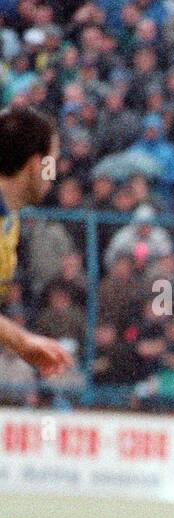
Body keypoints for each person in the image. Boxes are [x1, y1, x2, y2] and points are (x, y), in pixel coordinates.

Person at [0, 107, 73, 379]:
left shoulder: (11, 216)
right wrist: (22, 341)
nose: (54, 174)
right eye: (52, 162)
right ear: (34, 164)